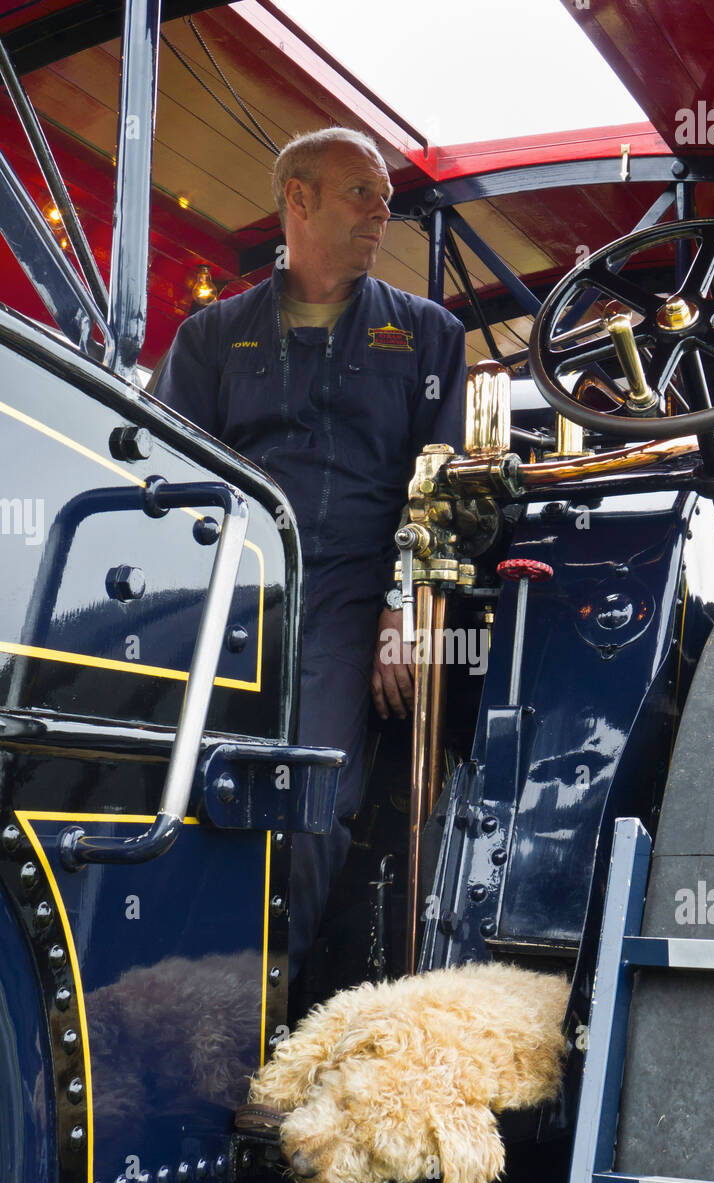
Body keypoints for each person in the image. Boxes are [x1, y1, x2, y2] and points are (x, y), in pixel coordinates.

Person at [152, 127, 467, 979]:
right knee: (186, 789)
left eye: (387, 199)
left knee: (310, 802)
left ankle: (263, 1009)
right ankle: (178, 990)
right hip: (230, 596)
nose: (382, 213)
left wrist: (402, 609)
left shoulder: (429, 337)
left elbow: (436, 496)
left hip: (350, 600)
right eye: (362, 192)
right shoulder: (210, 338)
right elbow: (166, 476)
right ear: (298, 198)